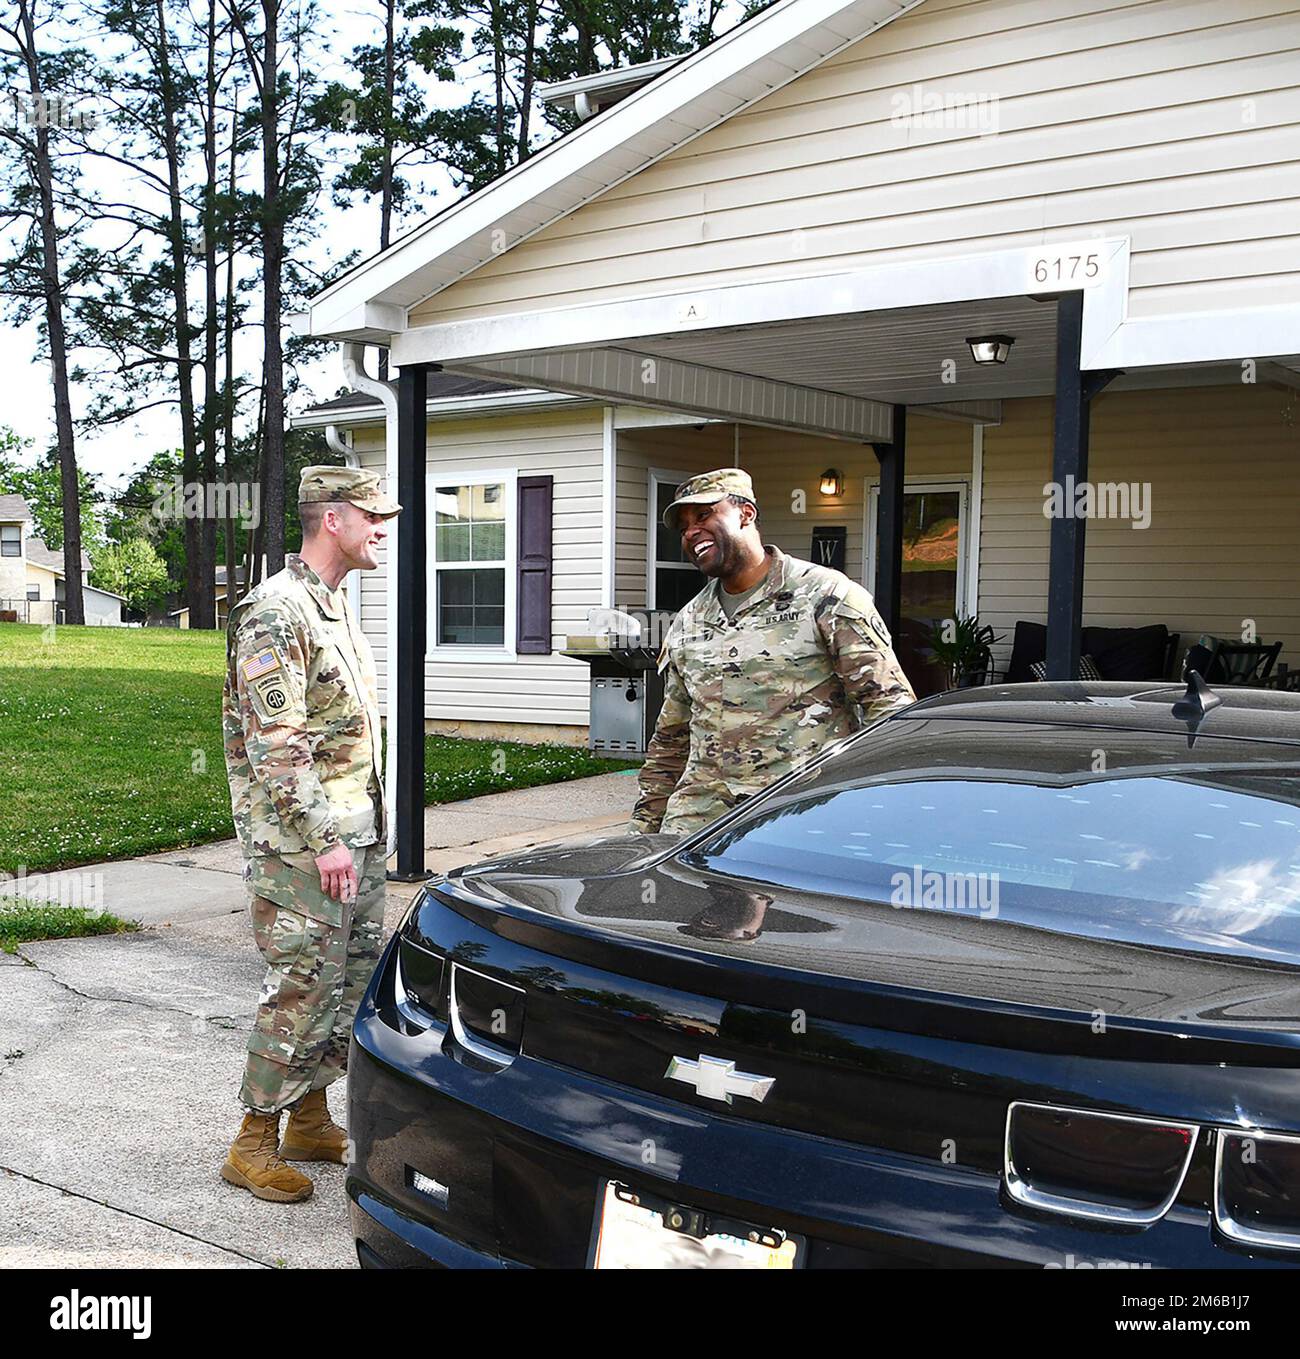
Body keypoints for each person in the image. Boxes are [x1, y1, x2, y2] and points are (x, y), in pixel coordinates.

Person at [219, 465, 399, 1202]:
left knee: (345, 983)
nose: (384, 528)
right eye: (373, 516)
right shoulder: (276, 611)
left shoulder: (333, 605)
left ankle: (309, 1117)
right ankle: (252, 1139)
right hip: (302, 847)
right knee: (298, 986)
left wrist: (360, 836)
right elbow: (279, 746)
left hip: (354, 836)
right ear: (334, 519)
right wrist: (325, 838)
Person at [629, 468, 915, 837]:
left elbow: (888, 710)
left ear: (745, 513)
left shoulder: (825, 596)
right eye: (683, 526)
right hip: (700, 816)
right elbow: (672, 737)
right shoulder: (689, 620)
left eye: (704, 515)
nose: (690, 532)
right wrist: (644, 830)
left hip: (801, 808)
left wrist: (882, 810)